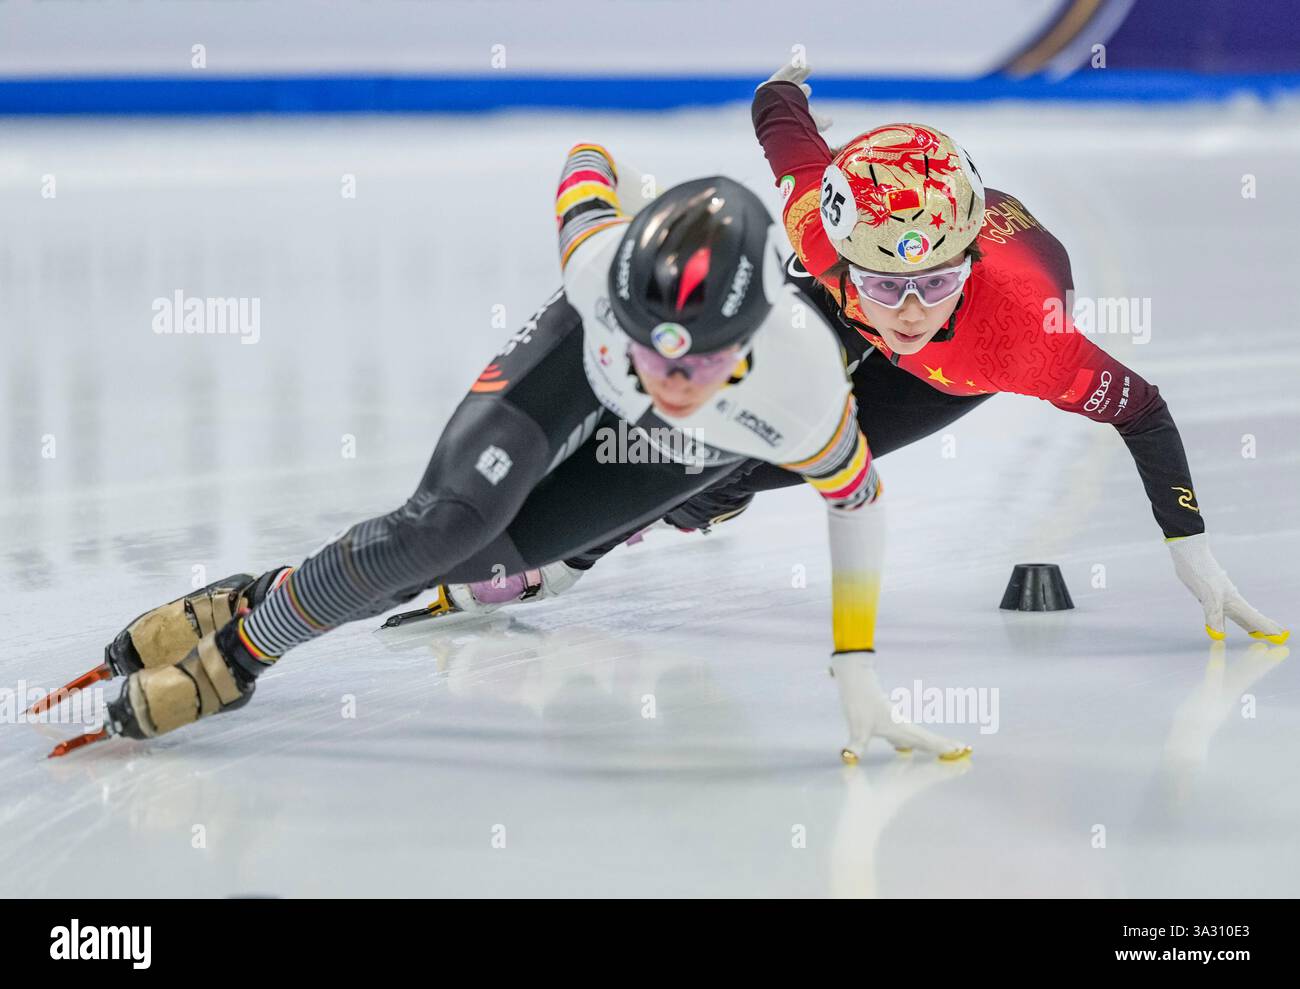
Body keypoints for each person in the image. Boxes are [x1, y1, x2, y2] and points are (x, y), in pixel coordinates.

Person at [42, 143, 970, 764]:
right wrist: (634, 190)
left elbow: (861, 503)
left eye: (705, 361)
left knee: (480, 560)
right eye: (652, 346)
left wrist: (856, 662)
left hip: (693, 448)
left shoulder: (805, 386)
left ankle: (256, 598)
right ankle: (241, 655)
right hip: (575, 357)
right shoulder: (595, 263)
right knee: (442, 524)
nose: (669, 379)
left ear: (761, 331)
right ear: (625, 295)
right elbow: (588, 162)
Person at [429, 63, 1288, 650]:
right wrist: (785, 81)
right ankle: (639, 501)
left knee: (760, 460)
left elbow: (1142, 409)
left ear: (971, 263)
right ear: (840, 252)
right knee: (737, 398)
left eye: (933, 283)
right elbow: (781, 122)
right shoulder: (822, 222)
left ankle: (636, 530)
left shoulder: (1028, 341)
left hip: (972, 351)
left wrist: (1191, 548)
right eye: (886, 287)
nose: (909, 314)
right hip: (867, 288)